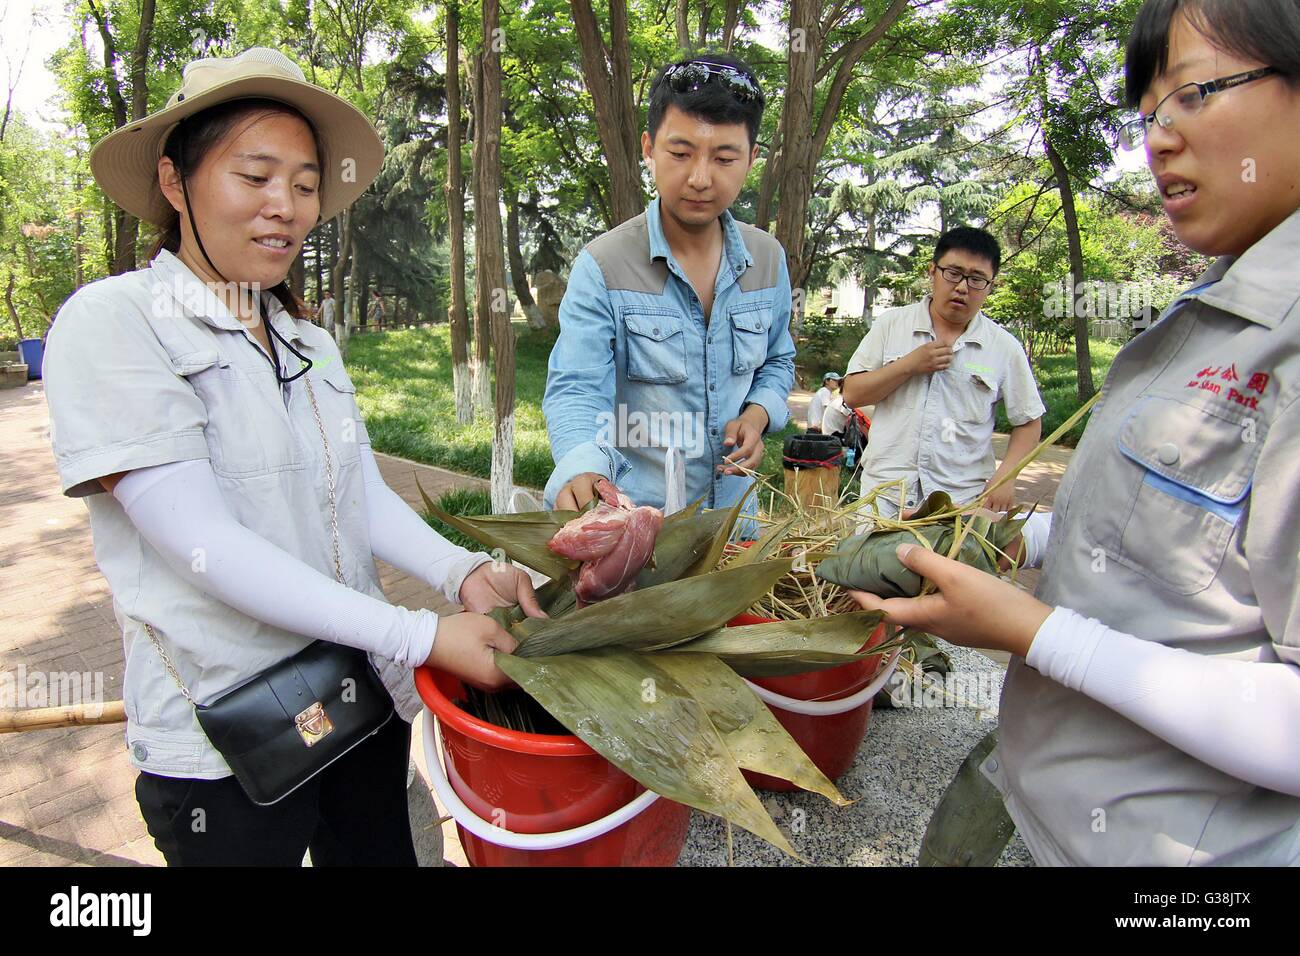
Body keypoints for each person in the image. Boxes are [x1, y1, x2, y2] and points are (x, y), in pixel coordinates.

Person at [41, 47, 540, 866]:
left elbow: (356, 494)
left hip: (354, 702)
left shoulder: (305, 340)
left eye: (305, 185)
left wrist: (463, 574)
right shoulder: (116, 323)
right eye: (256, 176)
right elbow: (204, 545)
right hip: (225, 743)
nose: (287, 208)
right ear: (175, 182)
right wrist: (421, 634)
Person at [850, 0, 1300, 865]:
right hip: (1036, 789)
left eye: (1195, 93)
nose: (1158, 138)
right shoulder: (1204, 314)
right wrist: (1027, 545)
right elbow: (1175, 550)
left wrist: (1031, 630)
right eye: (1149, 113)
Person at [542, 53, 795, 519]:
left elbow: (778, 362)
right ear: (648, 147)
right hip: (637, 532)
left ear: (752, 159)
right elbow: (576, 388)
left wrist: (757, 415)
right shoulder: (604, 266)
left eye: (724, 158)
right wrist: (582, 466)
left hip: (736, 527)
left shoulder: (768, 261)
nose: (700, 178)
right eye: (680, 154)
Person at [840, 227, 1045, 517]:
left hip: (959, 502)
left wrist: (1008, 475)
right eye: (953, 273)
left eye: (977, 279)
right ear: (933, 271)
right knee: (874, 564)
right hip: (885, 497)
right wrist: (908, 365)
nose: (963, 287)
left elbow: (1028, 421)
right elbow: (852, 393)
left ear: (990, 286)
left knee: (947, 564)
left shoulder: (1003, 348)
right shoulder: (891, 325)